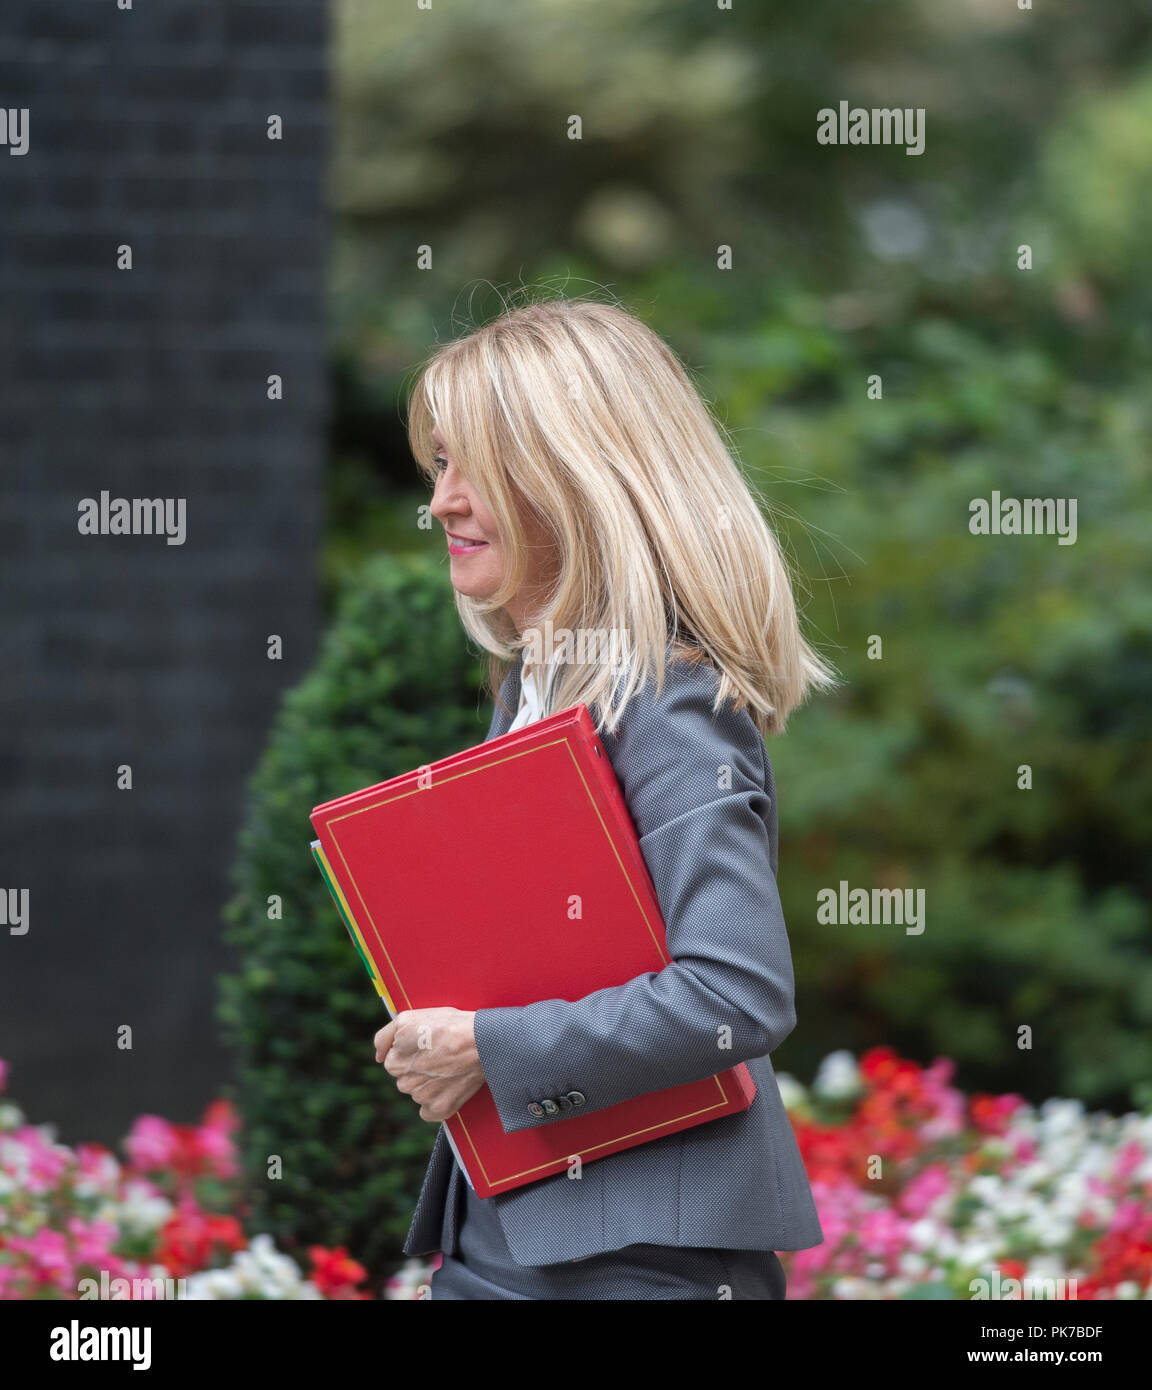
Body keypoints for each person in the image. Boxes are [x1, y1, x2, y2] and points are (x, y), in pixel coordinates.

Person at [373, 295, 837, 1299]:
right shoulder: (533, 690)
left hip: (636, 1263)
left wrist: (483, 1045)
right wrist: (444, 1037)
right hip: (516, 1234)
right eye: (439, 465)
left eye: (472, 468)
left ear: (570, 479)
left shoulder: (665, 701)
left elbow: (733, 994)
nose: (443, 501)